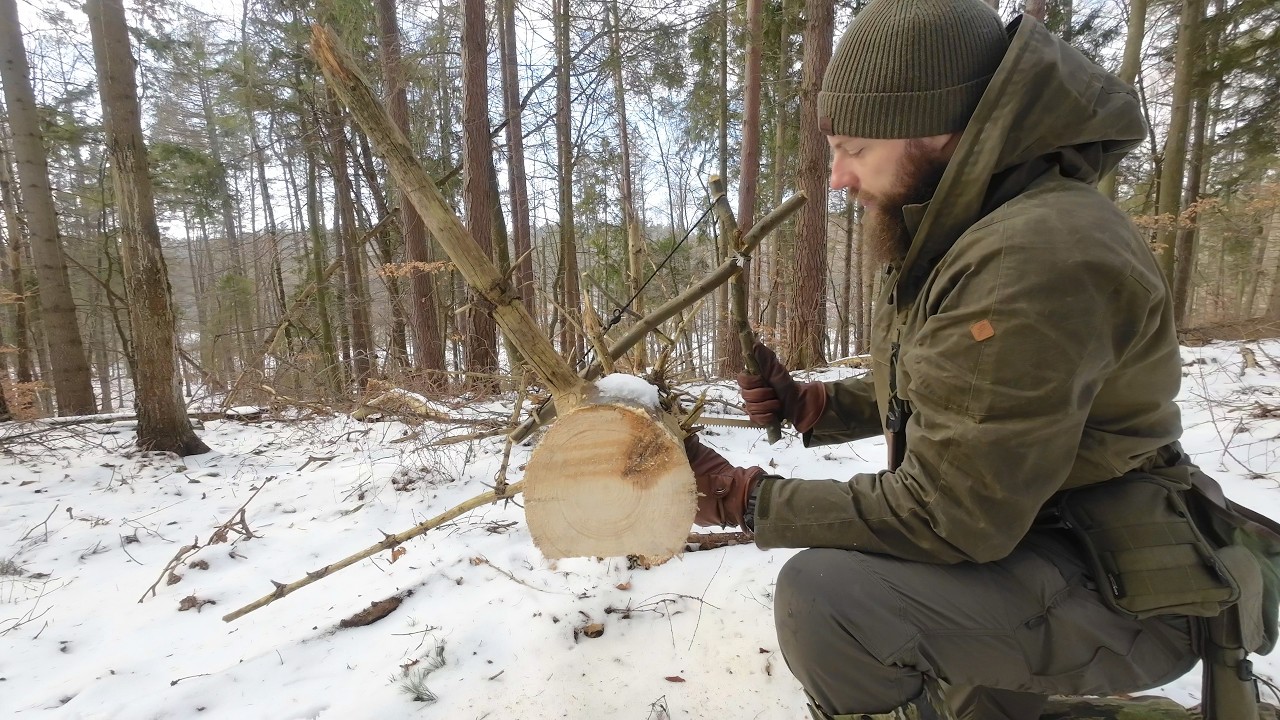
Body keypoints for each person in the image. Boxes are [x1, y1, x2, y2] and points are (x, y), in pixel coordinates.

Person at [681, 1, 1273, 718]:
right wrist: (820, 406)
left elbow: (951, 516)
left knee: (831, 602)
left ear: (937, 128)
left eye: (858, 148)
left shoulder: (1035, 253)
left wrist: (746, 499)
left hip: (1120, 581)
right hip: (1041, 539)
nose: (837, 178)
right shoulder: (978, 224)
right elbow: (967, 388)